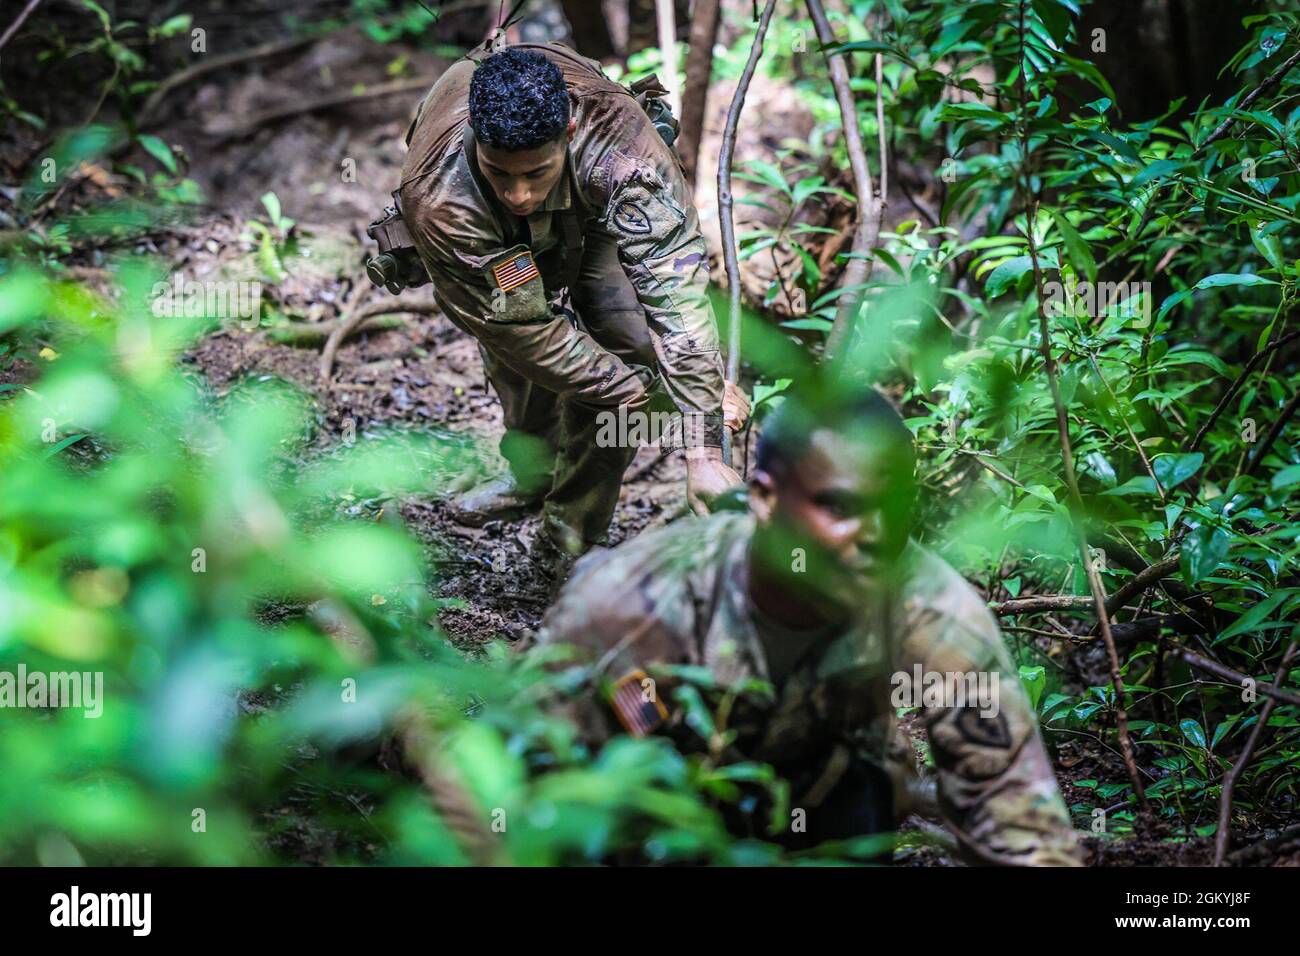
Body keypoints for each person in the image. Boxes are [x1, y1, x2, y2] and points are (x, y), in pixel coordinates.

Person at [533, 385, 1085, 865]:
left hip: (821, 806)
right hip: (660, 817)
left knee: (865, 785)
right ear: (766, 501)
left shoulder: (931, 607)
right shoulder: (633, 602)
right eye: (841, 507)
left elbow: (1017, 820)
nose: (874, 534)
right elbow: (529, 792)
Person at [398, 43, 748, 557]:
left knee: (626, 348)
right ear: (476, 142)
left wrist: (701, 447)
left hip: (595, 214)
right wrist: (649, 400)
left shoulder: (626, 155)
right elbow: (523, 335)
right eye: (501, 173)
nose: (519, 194)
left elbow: (678, 298)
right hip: (495, 247)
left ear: (568, 133)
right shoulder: (438, 195)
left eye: (534, 173)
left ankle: (569, 540)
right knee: (522, 366)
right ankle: (531, 473)